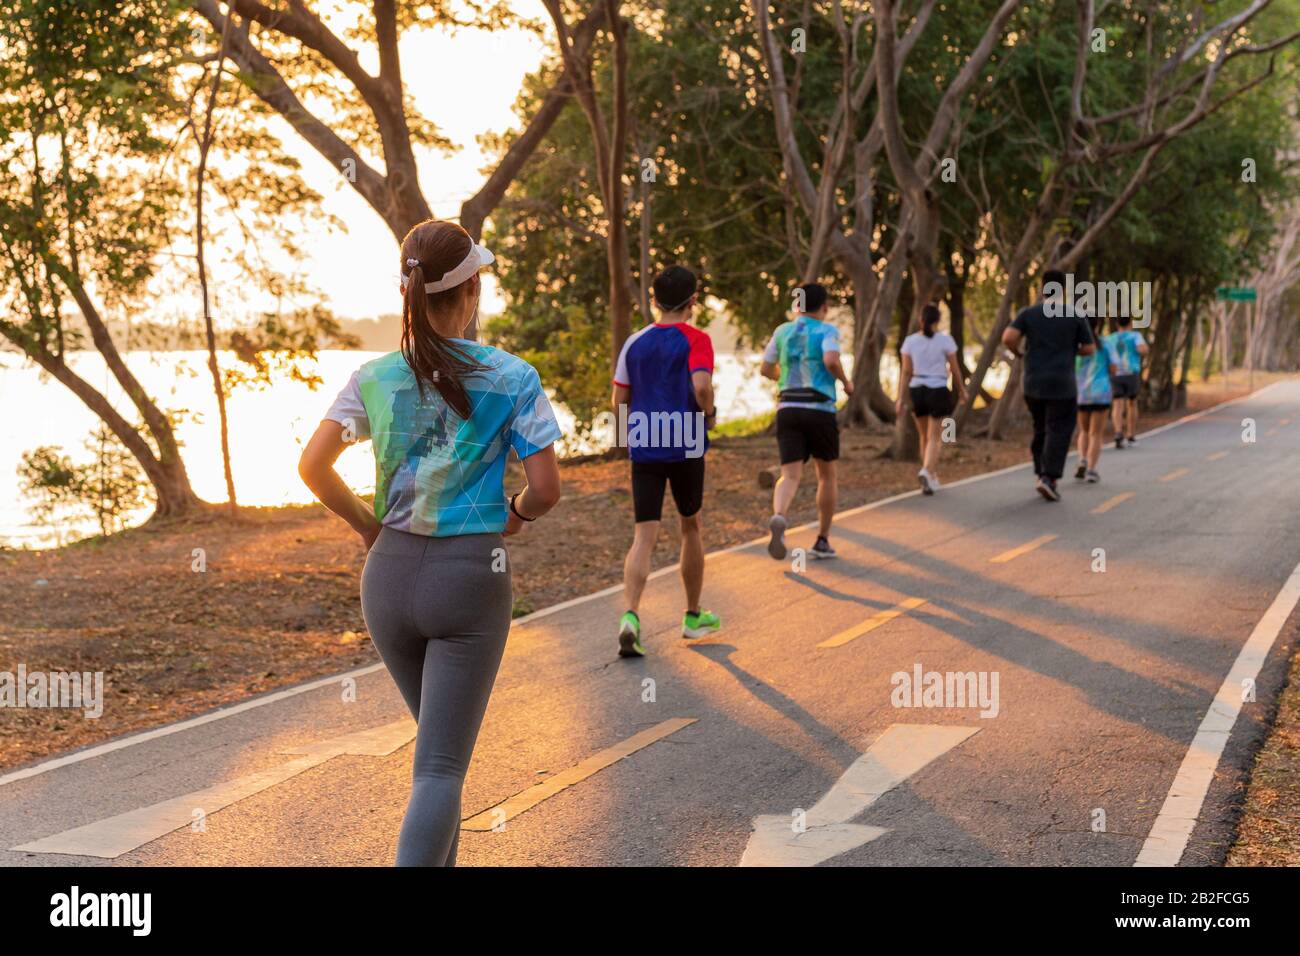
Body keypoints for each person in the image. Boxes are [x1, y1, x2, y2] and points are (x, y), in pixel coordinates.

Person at [298, 219, 562, 866]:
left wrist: (368, 528)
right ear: (471, 290)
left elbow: (312, 468)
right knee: (440, 768)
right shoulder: (513, 376)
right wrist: (516, 517)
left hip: (386, 580)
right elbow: (547, 489)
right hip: (469, 578)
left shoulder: (373, 376)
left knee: (437, 759)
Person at [612, 265, 721, 657]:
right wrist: (708, 413)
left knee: (644, 534)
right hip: (687, 441)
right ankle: (692, 617)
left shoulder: (634, 343)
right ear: (693, 301)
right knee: (689, 525)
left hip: (645, 442)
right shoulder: (698, 339)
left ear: (654, 300)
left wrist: (625, 440)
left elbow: (619, 400)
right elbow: (702, 385)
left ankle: (630, 615)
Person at [761, 282, 853, 559]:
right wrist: (847, 383)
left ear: (796, 306)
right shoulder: (827, 330)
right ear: (824, 308)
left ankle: (779, 515)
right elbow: (831, 361)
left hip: (787, 407)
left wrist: (788, 380)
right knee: (826, 475)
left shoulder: (782, 331)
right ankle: (822, 540)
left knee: (789, 475)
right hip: (820, 408)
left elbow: (765, 368)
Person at [1001, 269, 1096, 501]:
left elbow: (1008, 337)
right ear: (1063, 290)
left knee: (1040, 427)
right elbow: (1090, 348)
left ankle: (1040, 473)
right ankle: (1049, 478)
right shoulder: (1073, 314)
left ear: (1042, 288)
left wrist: (1019, 352)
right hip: (1062, 382)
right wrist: (1072, 349)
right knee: (1059, 429)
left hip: (1033, 382)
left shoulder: (1029, 313)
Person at [896, 303, 968, 495]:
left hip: (917, 390)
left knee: (923, 436)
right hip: (937, 389)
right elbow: (955, 369)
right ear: (937, 321)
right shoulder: (945, 341)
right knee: (935, 437)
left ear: (921, 320)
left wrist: (900, 398)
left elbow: (906, 372)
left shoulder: (910, 342)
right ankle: (927, 471)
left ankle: (930, 475)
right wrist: (962, 391)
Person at [1073, 313, 1119, 483]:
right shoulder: (1106, 344)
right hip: (1101, 394)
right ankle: (1091, 470)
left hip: (1081, 394)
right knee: (1096, 433)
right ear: (1098, 325)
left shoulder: (1076, 345)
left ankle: (1082, 460)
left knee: (1083, 431)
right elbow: (1114, 369)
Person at [1105, 315, 1148, 448]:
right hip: (1131, 373)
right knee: (1132, 403)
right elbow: (1143, 350)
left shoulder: (1110, 338)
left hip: (1115, 374)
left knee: (1117, 403)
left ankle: (1118, 432)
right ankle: (1130, 435)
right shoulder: (1135, 336)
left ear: (1117, 324)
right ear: (1130, 323)